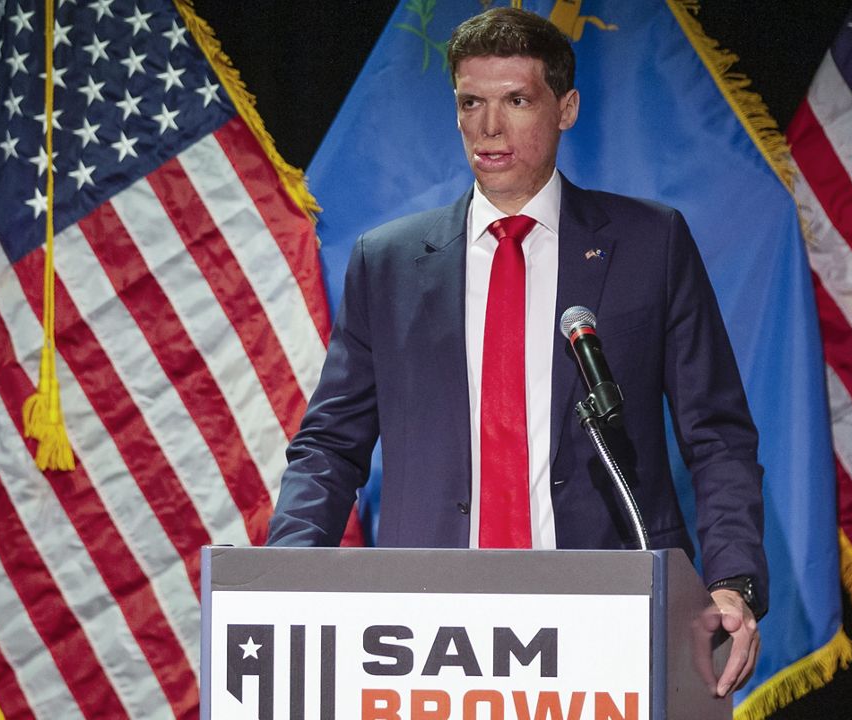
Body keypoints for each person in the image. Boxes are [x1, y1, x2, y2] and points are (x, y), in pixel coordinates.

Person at [268, 7, 766, 697]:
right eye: (471, 102)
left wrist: (734, 580)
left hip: (611, 615)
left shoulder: (650, 244)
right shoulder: (387, 263)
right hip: (429, 628)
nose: (488, 127)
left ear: (565, 108)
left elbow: (717, 435)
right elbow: (329, 445)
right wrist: (285, 571)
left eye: (516, 101)